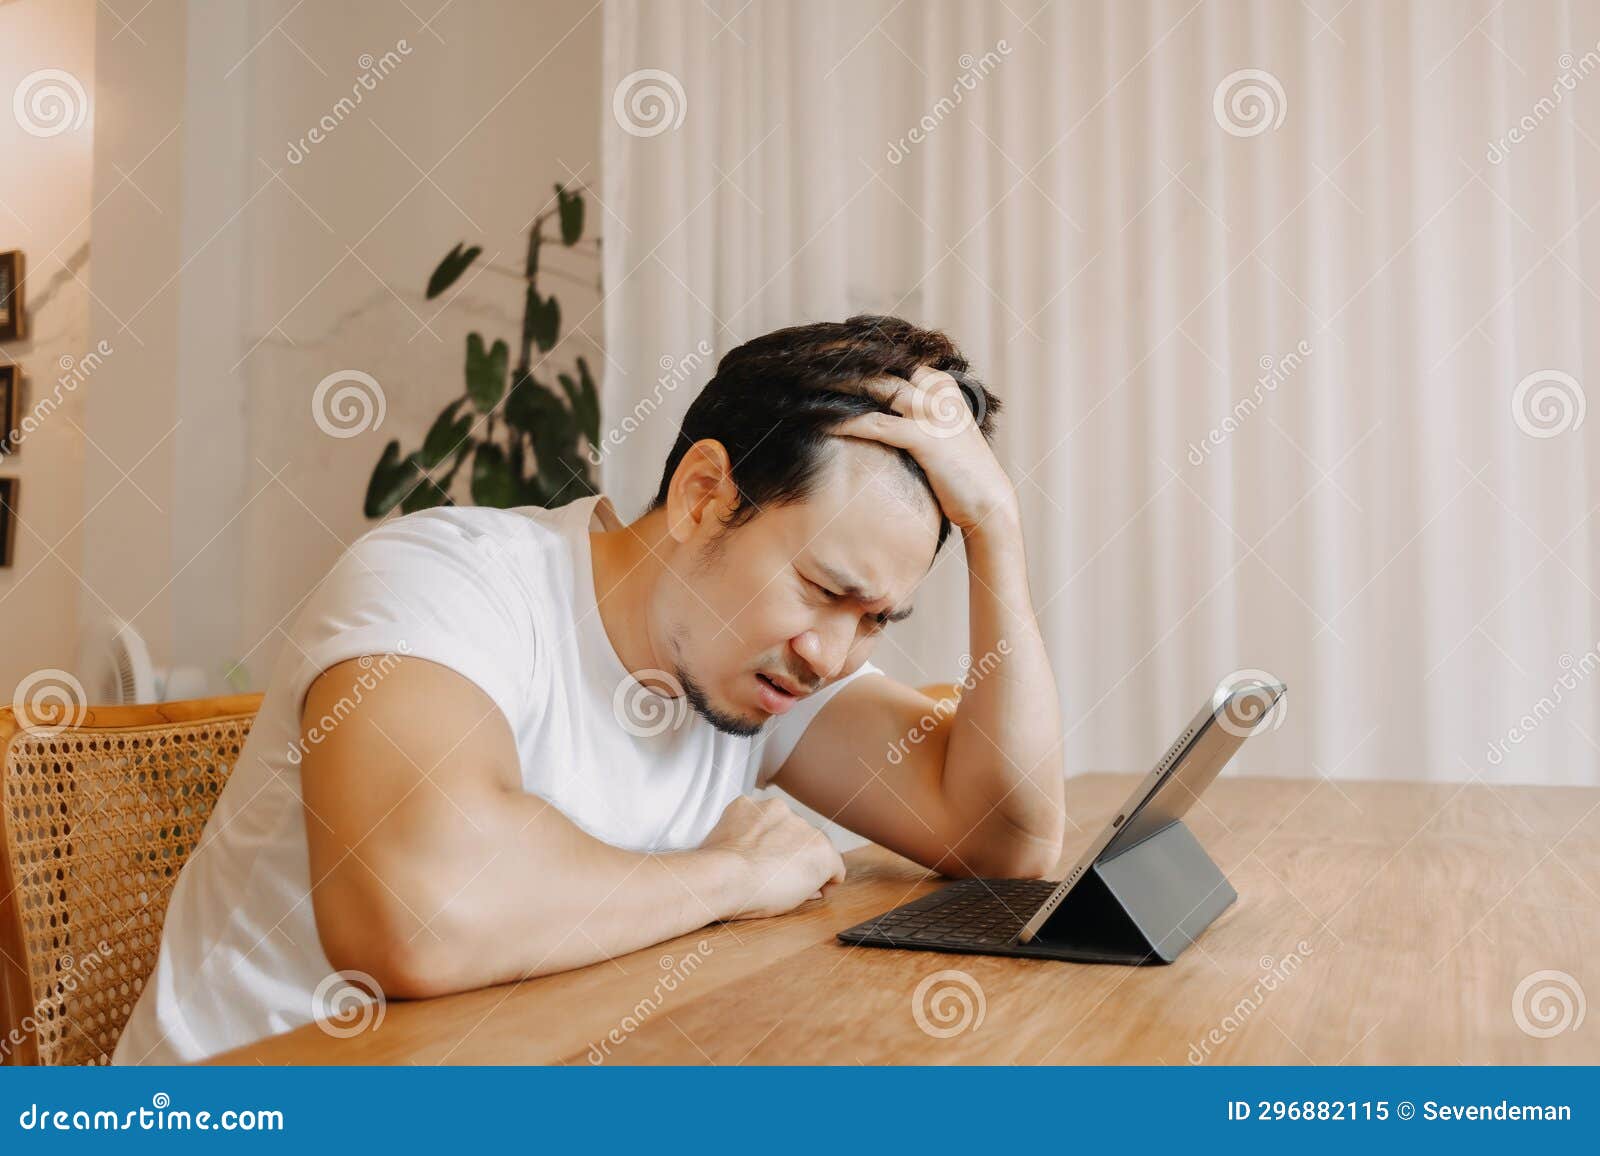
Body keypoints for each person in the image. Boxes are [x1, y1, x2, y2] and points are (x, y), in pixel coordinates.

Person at [113, 314, 1065, 1063]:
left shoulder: (761, 668)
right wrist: (733, 877)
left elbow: (1007, 841)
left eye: (875, 621)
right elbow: (418, 920)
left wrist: (998, 534)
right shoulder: (445, 582)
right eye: (824, 590)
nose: (834, 653)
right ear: (703, 495)